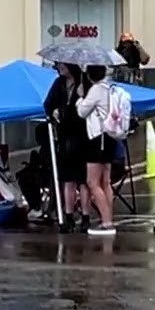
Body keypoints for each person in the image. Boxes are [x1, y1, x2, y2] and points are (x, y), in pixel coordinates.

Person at [76, 65, 130, 237]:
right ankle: (109, 219)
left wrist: (79, 98)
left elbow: (82, 112)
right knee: (105, 182)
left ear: (90, 76)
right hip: (109, 137)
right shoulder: (110, 89)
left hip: (97, 139)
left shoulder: (96, 90)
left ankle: (106, 223)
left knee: (92, 182)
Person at [43, 62, 89, 231]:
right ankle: (68, 215)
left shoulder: (84, 82)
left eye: (62, 64)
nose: (59, 67)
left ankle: (85, 216)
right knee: (68, 179)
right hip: (65, 135)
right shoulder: (58, 84)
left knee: (83, 180)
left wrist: (83, 96)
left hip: (83, 136)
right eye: (58, 65)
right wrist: (53, 110)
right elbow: (47, 104)